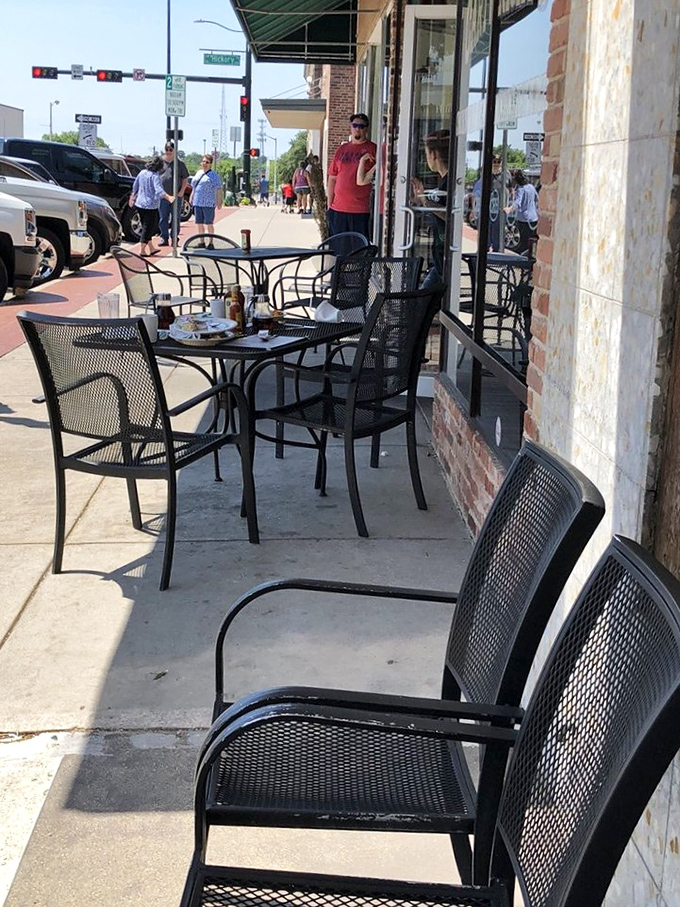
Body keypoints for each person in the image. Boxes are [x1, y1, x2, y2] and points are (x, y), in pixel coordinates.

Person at [326, 112, 377, 240]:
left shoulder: (373, 149)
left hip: (360, 210)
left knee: (358, 250)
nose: (357, 129)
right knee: (338, 250)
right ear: (351, 127)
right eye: (355, 125)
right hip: (338, 209)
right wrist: (329, 203)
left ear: (366, 128)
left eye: (361, 126)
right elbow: (332, 177)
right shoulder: (342, 149)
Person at [410, 129, 449, 287]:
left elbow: (450, 215)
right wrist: (420, 201)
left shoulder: (450, 182)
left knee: (421, 305)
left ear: (433, 154)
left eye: (426, 153)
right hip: (439, 257)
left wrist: (426, 202)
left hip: (445, 256)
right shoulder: (443, 181)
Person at [128, 156, 174, 257]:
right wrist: (168, 197)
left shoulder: (142, 173)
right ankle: (142, 250)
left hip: (140, 204)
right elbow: (159, 190)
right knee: (148, 228)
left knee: (145, 224)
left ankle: (151, 248)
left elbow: (135, 186)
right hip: (150, 205)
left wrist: (132, 197)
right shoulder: (155, 176)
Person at [158, 142, 189, 247]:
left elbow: (185, 179)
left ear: (175, 150)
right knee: (163, 218)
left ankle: (174, 238)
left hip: (176, 196)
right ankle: (164, 238)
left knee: (176, 218)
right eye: (167, 149)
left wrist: (181, 192)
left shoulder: (180, 164)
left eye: (171, 149)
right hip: (163, 196)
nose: (168, 152)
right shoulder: (160, 163)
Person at [190, 154, 223, 248]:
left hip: (208, 203)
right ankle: (201, 241)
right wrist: (192, 196)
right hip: (198, 202)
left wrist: (219, 201)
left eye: (207, 162)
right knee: (199, 223)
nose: (204, 164)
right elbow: (194, 187)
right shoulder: (198, 173)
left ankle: (211, 242)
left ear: (210, 164)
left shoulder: (213, 175)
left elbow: (218, 189)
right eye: (203, 161)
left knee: (209, 223)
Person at [504, 169, 539, 255]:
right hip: (534, 218)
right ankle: (531, 257)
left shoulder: (520, 189)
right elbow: (537, 199)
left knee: (523, 241)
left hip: (523, 218)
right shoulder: (531, 187)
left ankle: (523, 260)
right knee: (532, 240)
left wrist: (509, 209)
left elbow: (517, 203)